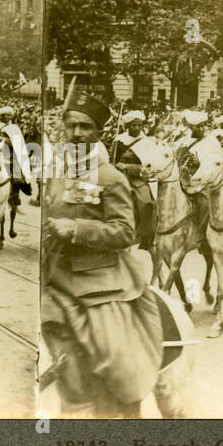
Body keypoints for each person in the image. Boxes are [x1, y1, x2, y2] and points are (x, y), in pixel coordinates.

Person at [42, 91, 190, 418]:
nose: (77, 133)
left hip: (101, 280)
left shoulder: (110, 177)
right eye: (72, 126)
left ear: (98, 133)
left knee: (113, 357)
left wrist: (76, 228)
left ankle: (125, 414)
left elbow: (125, 231)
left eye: (86, 127)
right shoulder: (57, 172)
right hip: (55, 273)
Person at [110, 110, 156, 251]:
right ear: (127, 126)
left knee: (146, 202)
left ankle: (145, 236)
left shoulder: (147, 142)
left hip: (137, 178)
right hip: (119, 177)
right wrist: (116, 167)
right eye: (133, 125)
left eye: (139, 125)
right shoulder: (118, 140)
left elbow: (149, 165)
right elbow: (112, 161)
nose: (136, 128)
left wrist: (129, 167)